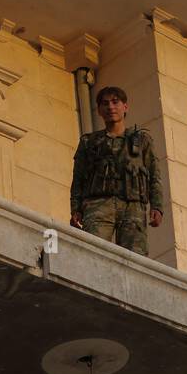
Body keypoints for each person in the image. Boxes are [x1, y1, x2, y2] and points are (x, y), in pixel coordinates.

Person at [69, 86, 163, 255]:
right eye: (105, 103)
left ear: (125, 107)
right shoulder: (89, 142)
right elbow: (78, 178)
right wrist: (76, 209)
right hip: (98, 204)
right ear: (99, 110)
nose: (110, 107)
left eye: (115, 102)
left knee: (135, 257)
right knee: (93, 251)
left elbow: (154, 175)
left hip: (133, 205)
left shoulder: (142, 140)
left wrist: (157, 207)